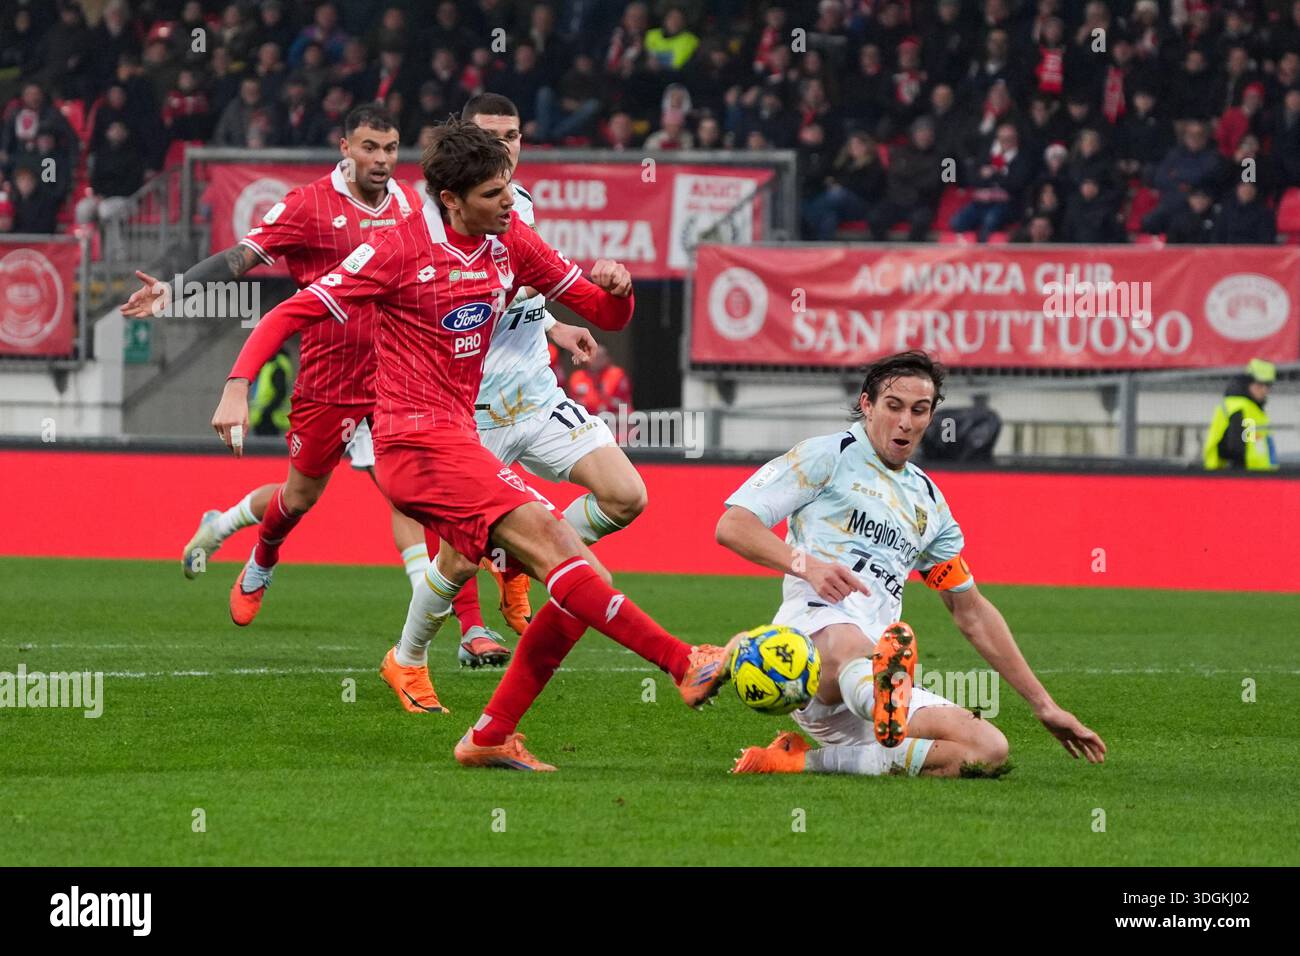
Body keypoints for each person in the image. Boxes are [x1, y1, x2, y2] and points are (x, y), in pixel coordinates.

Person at [209, 118, 732, 770]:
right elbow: (294, 310)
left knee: (579, 579)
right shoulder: (397, 250)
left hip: (459, 441)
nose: (509, 202)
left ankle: (488, 736)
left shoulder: (512, 238)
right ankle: (684, 662)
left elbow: (601, 311)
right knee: (554, 545)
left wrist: (620, 293)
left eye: (509, 187)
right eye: (492, 193)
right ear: (452, 200)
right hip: (412, 446)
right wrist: (237, 385)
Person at [119, 108, 466, 635]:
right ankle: (255, 549)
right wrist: (174, 289)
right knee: (300, 497)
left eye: (392, 149)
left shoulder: (410, 204)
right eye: (370, 147)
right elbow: (241, 258)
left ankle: (437, 617)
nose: (382, 160)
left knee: (406, 490)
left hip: (396, 377)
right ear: (344, 146)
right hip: (330, 380)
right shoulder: (308, 205)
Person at [716, 350, 1107, 778]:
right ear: (867, 404)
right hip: (811, 653)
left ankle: (799, 760)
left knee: (986, 750)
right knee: (849, 642)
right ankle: (876, 691)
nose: (905, 421)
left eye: (919, 410)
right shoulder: (825, 457)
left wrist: (1045, 705)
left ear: (930, 416)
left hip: (878, 673)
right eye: (894, 406)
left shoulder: (927, 502)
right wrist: (805, 564)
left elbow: (970, 611)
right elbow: (734, 525)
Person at [441, 93, 650, 670]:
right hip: (469, 405)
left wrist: (555, 322)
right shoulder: (438, 217)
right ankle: (470, 632)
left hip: (534, 391)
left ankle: (516, 561)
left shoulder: (521, 205)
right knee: (460, 550)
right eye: (489, 136)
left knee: (626, 495)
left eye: (511, 136)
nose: (502, 147)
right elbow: (475, 295)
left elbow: (526, 284)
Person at [1203, 359, 1279, 472]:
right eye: (1260, 385)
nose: (1264, 390)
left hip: (1255, 474)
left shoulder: (1251, 408)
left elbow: (1250, 442)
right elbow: (1237, 447)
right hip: (1245, 475)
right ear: (1248, 383)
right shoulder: (1240, 408)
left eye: (1267, 386)